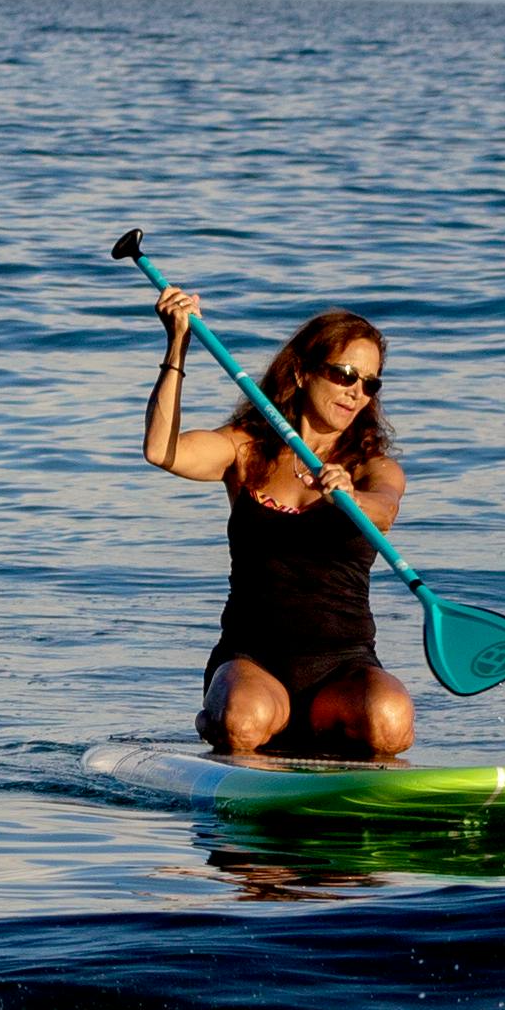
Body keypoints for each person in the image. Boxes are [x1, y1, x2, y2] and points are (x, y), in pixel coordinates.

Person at [142, 291, 415, 761]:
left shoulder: (372, 466)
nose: (357, 392)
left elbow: (383, 511)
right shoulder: (246, 450)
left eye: (370, 384)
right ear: (301, 372)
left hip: (342, 669)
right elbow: (162, 452)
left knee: (390, 723)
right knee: (242, 721)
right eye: (346, 374)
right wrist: (178, 345)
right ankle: (227, 728)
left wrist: (348, 497)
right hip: (253, 661)